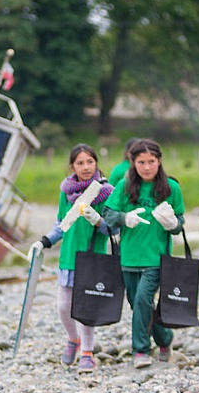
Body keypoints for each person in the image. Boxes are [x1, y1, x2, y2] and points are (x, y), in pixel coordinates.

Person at [29, 143, 115, 375]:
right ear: (72, 166)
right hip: (68, 255)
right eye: (80, 163)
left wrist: (98, 220)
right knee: (63, 306)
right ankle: (72, 339)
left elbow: (113, 230)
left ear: (96, 163)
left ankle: (87, 352)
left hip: (92, 257)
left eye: (90, 161)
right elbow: (61, 223)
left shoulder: (106, 191)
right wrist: (44, 241)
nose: (86, 167)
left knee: (86, 307)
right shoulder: (66, 192)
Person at [103, 139, 186, 368]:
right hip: (129, 256)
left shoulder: (171, 187)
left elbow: (179, 223)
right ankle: (165, 339)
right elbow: (108, 214)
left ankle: (140, 350)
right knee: (138, 303)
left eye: (151, 161)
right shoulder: (123, 185)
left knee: (142, 299)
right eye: (141, 162)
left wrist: (172, 224)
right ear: (133, 162)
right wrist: (123, 218)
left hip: (157, 257)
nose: (147, 167)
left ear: (159, 162)